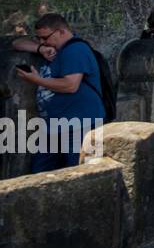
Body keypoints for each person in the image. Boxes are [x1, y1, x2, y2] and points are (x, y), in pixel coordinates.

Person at [9, 13, 106, 172]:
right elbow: (17, 43)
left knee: (81, 172)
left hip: (81, 123)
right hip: (56, 124)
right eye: (39, 38)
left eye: (45, 38)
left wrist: (35, 79)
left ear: (61, 32)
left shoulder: (76, 50)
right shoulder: (54, 48)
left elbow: (70, 85)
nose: (42, 41)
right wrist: (40, 48)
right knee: (40, 174)